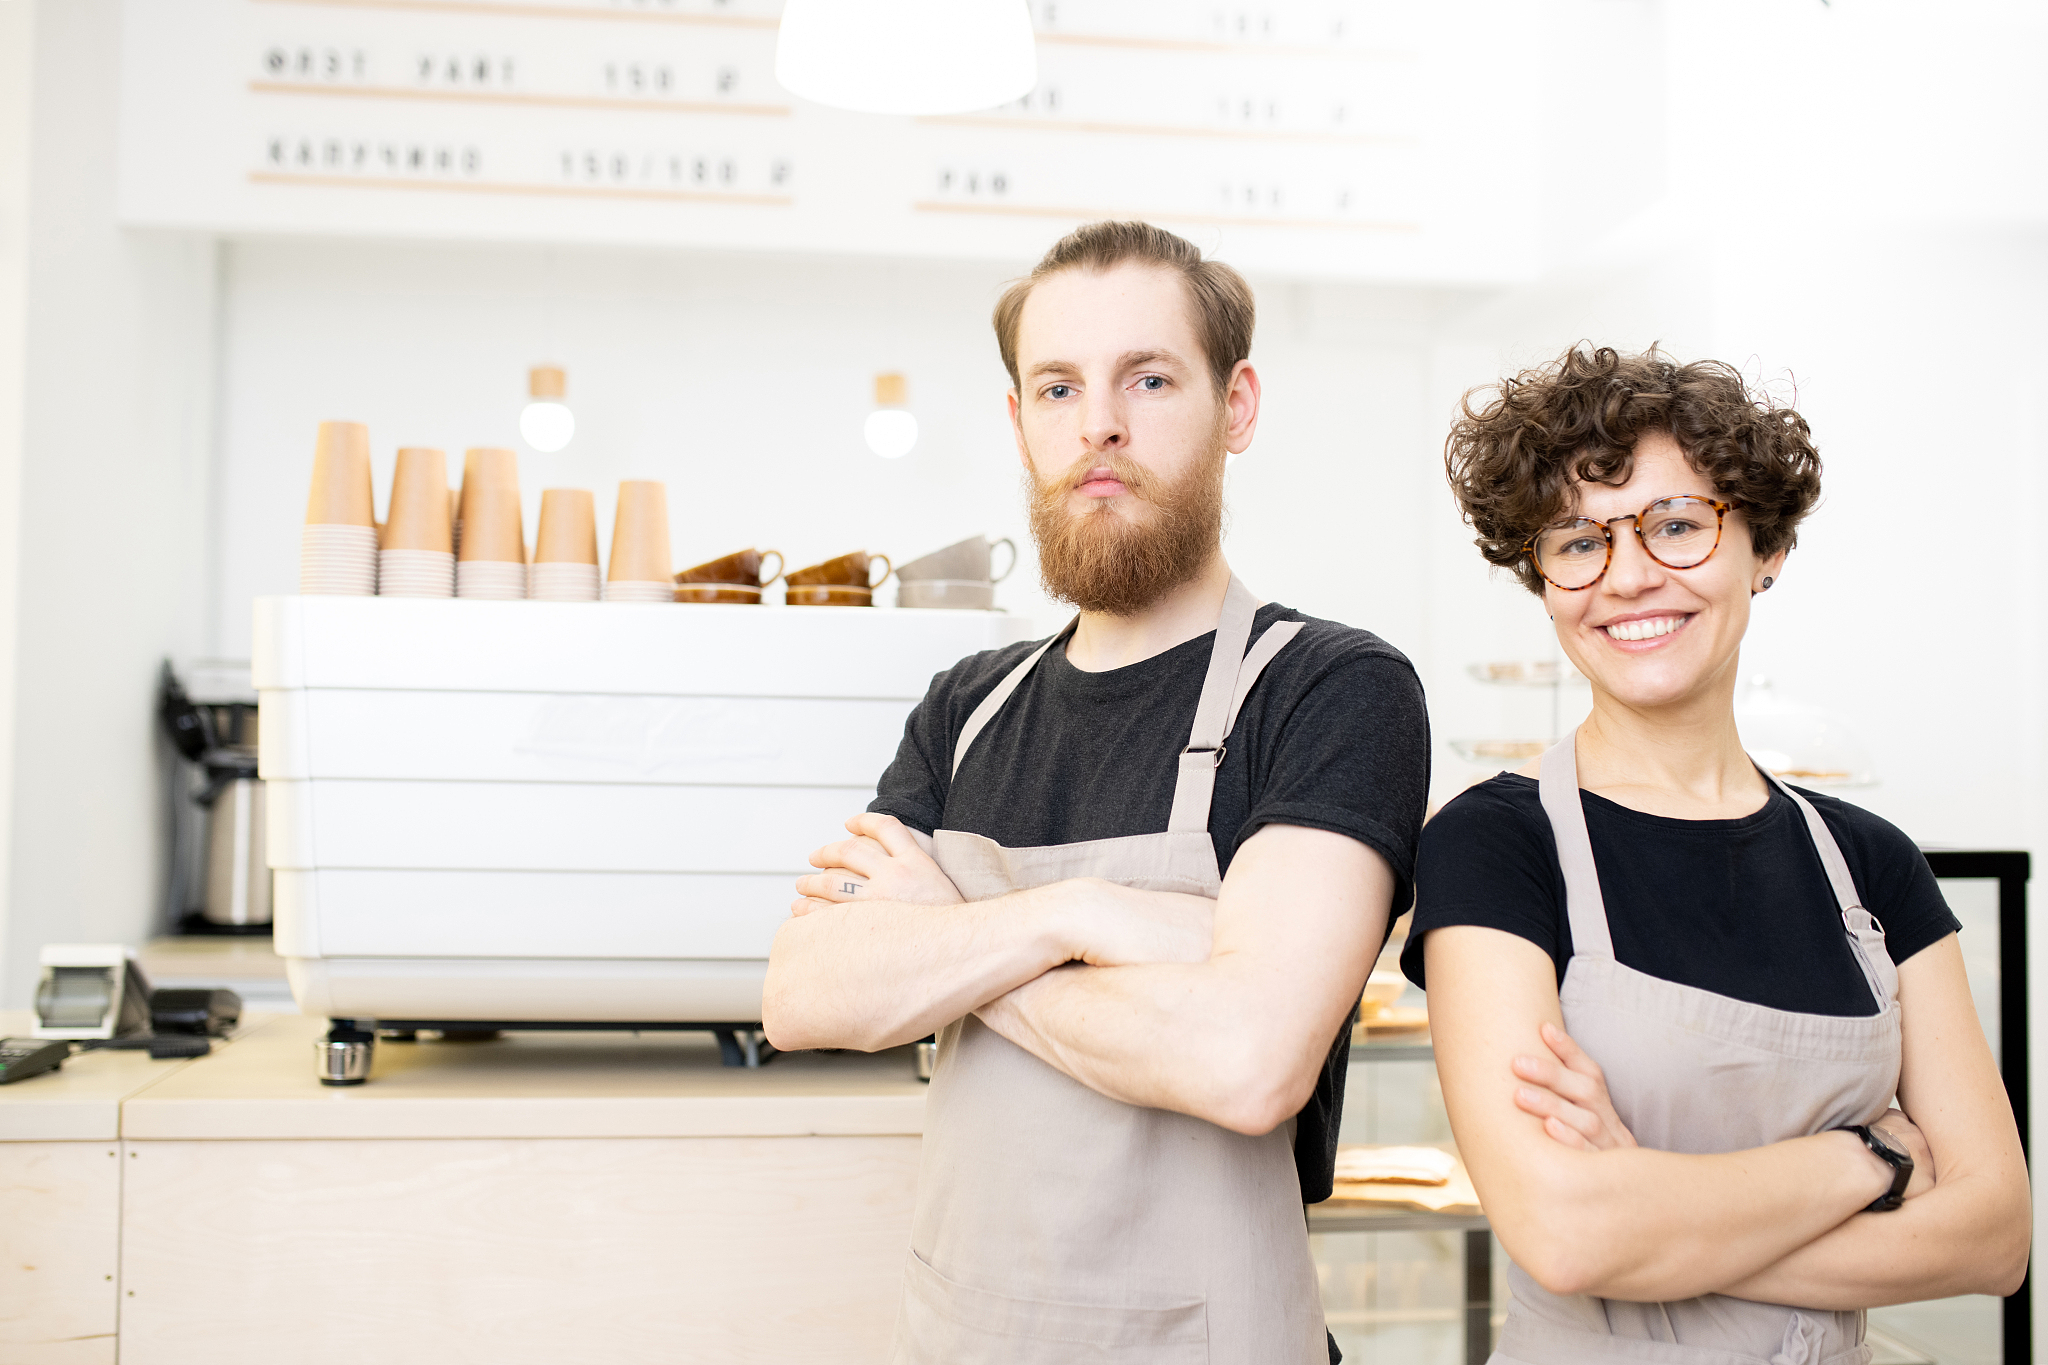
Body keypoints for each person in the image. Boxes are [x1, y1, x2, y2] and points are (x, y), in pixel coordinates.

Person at [761, 221, 1430, 1364]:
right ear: (1020, 424)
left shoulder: (1330, 691)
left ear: (1237, 407)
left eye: (1149, 378)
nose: (1098, 424)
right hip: (960, 1333)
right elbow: (805, 995)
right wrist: (1081, 918)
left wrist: (953, 947)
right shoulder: (965, 707)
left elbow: (1247, 1059)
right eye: (1057, 386)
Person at [1407, 345, 2030, 1364]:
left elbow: (1995, 1236)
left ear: (1765, 547)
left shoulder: (1871, 865)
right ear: (1542, 579)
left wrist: (1648, 1217)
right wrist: (1866, 1160)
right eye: (1576, 541)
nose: (1628, 576)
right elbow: (1564, 1233)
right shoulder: (1492, 844)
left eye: (1678, 526)